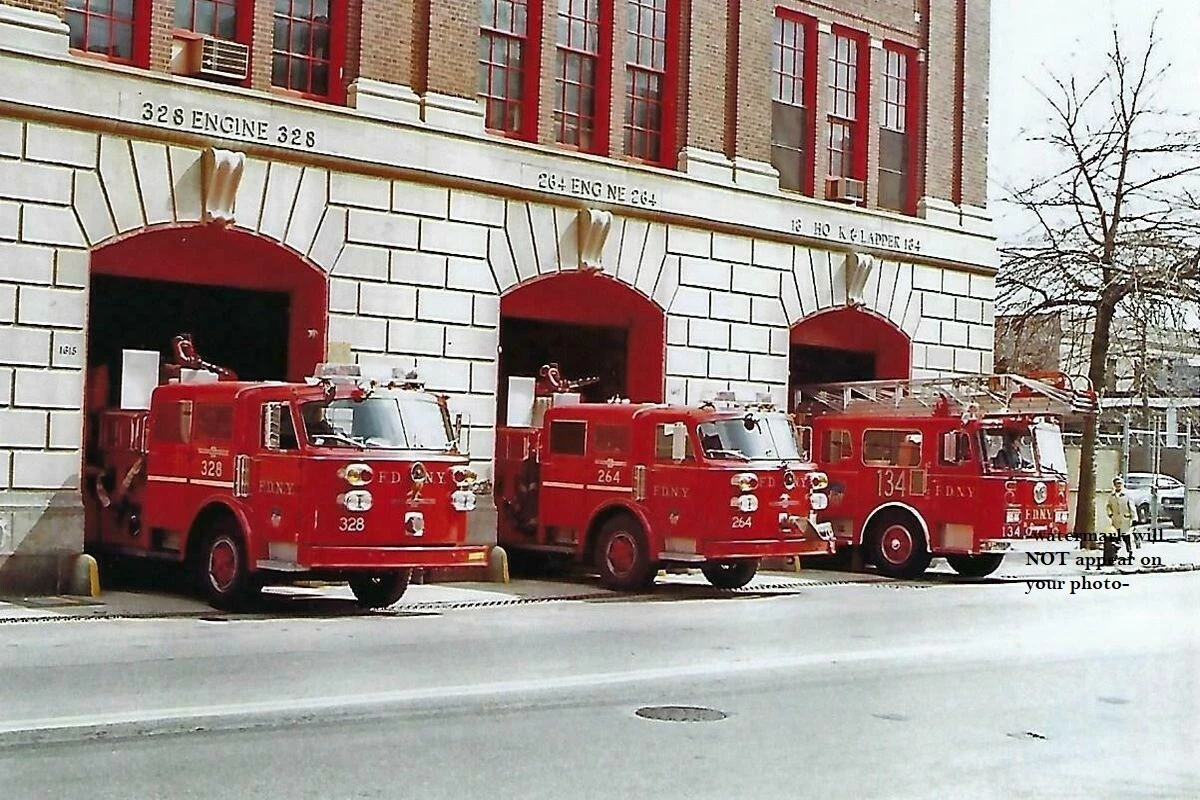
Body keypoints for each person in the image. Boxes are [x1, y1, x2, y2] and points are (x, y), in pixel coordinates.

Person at [1106, 476, 1136, 560]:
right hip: (1116, 520)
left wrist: (1134, 518)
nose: (1118, 485)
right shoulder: (1112, 496)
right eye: (1116, 484)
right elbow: (1108, 506)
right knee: (1116, 538)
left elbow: (1132, 507)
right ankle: (1116, 553)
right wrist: (1110, 514)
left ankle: (1130, 552)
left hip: (1125, 520)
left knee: (1127, 537)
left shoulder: (1127, 495)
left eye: (1119, 483)